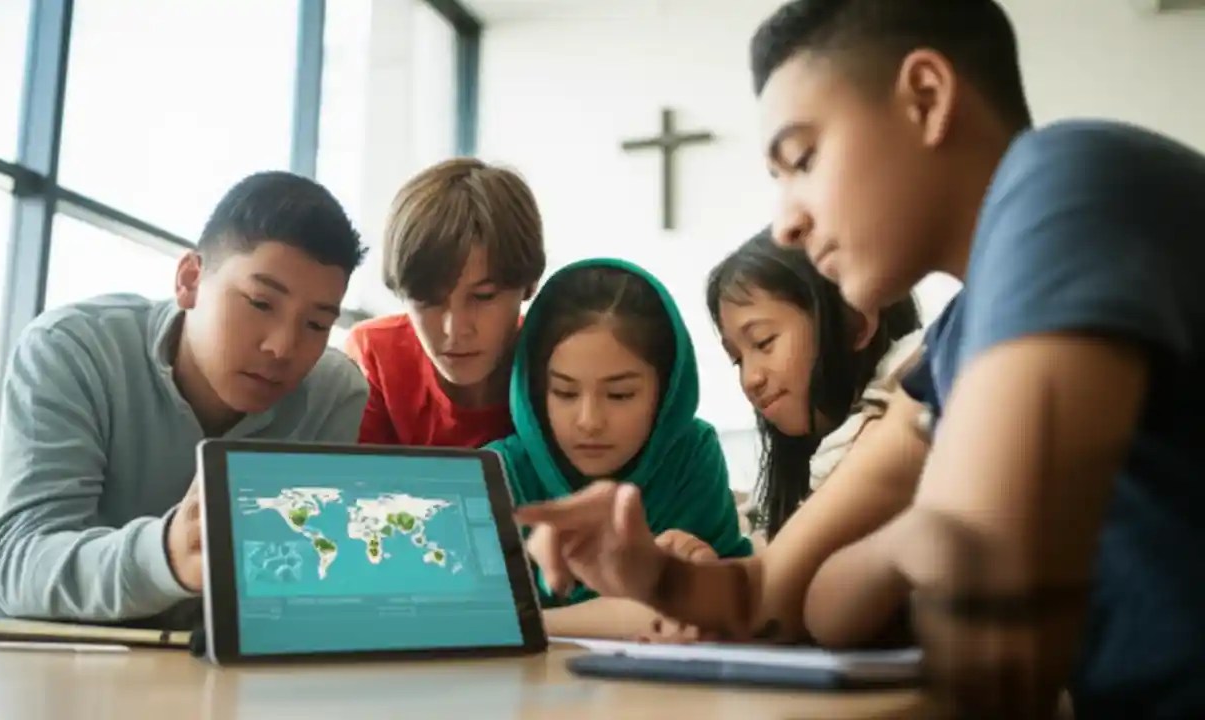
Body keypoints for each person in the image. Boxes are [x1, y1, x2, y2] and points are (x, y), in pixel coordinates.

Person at [514, 1, 1205, 717]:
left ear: (926, 99)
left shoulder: (1066, 184)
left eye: (803, 159)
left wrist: (934, 538)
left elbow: (990, 596)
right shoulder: (959, 339)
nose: (787, 220)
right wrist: (649, 573)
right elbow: (770, 593)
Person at [0, 171, 369, 629]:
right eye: (260, 302)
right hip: (2, 635)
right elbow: (24, 563)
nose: (282, 347)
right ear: (190, 280)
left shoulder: (334, 394)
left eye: (317, 325)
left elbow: (298, 586)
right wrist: (167, 555)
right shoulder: (73, 347)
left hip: (182, 653)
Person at [486, 258, 751, 639]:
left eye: (620, 394)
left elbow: (732, 607)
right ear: (536, 390)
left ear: (666, 392)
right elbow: (464, 620)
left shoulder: (690, 456)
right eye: (564, 392)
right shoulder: (495, 474)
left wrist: (698, 578)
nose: (589, 421)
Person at [708, 231, 921, 543]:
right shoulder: (801, 473)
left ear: (854, 323)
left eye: (763, 341)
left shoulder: (912, 420)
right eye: (737, 360)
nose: (750, 379)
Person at [346, 158, 545, 447]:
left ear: (529, 284)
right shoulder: (376, 356)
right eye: (428, 300)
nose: (455, 329)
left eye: (483, 296)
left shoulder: (557, 364)